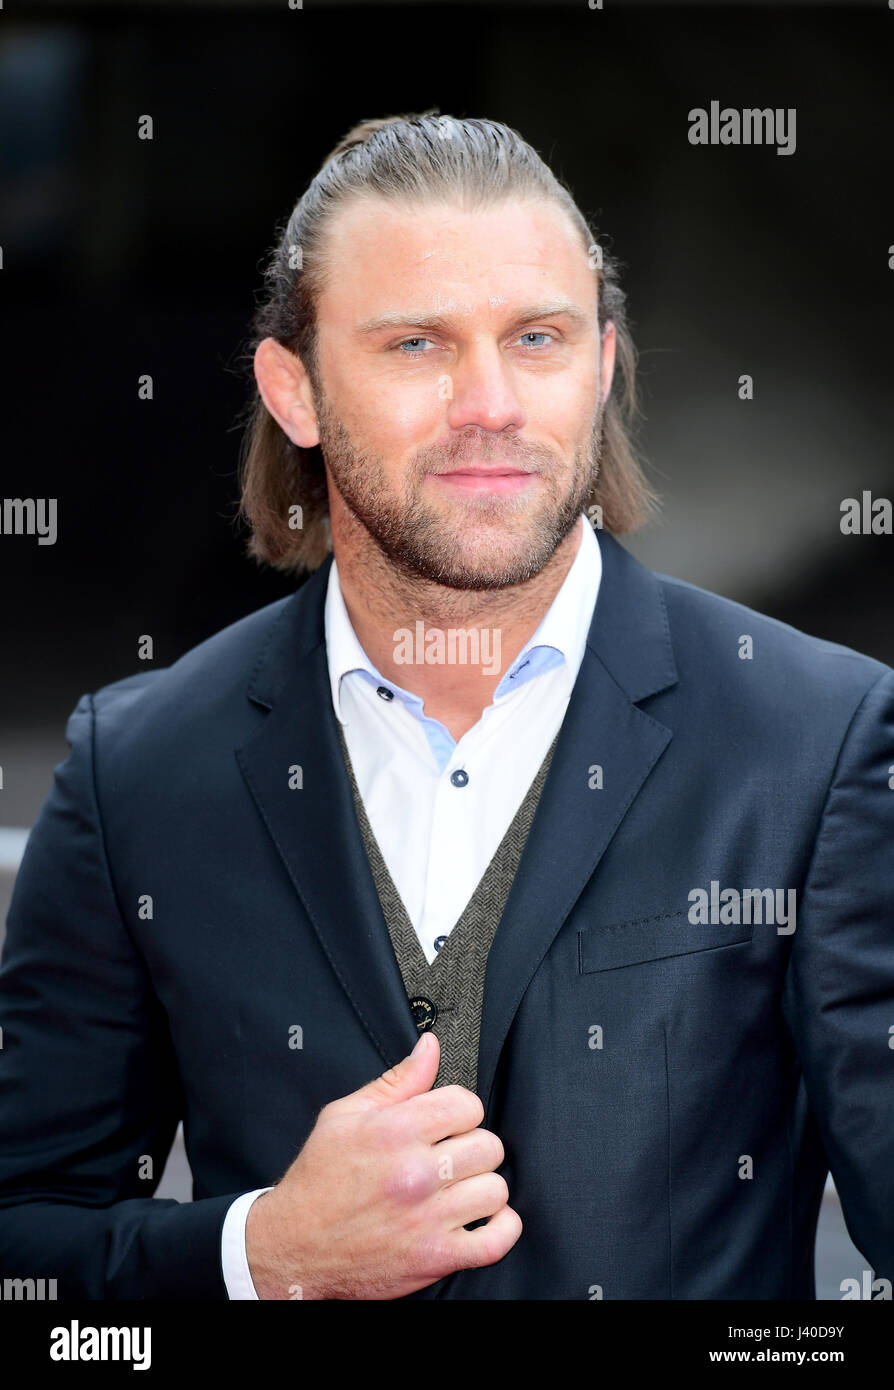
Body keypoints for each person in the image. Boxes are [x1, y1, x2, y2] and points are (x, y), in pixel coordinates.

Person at [1, 112, 892, 1301]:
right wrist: (256, 1256)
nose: (490, 402)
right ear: (296, 389)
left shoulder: (816, 738)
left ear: (604, 363)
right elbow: (29, 1252)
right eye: (417, 343)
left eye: (537, 337)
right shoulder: (140, 769)